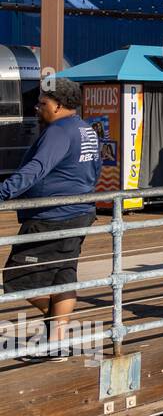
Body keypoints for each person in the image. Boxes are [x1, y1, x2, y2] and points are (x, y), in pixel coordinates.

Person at [0, 78, 102, 361]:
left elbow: (36, 169)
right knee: (63, 275)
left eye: (42, 103)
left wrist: (3, 192)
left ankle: (53, 332)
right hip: (80, 212)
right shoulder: (86, 130)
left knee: (17, 277)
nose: (37, 107)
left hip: (51, 217)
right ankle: (56, 341)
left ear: (57, 105)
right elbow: (96, 168)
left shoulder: (58, 132)